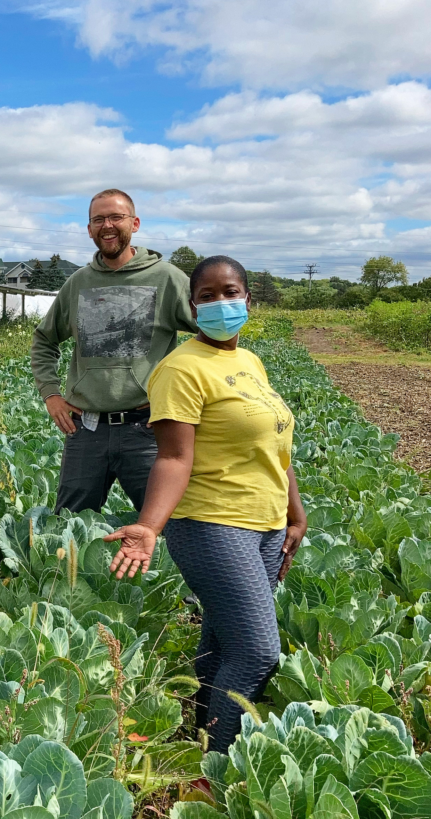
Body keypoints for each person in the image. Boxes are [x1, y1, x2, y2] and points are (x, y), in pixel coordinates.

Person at [104, 255, 307, 756]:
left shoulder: (249, 362)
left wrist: (294, 514)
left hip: (264, 525)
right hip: (212, 524)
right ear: (193, 307)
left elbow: (276, 450)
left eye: (230, 291)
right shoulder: (180, 370)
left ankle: (198, 739)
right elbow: (173, 458)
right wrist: (151, 526)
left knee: (223, 644)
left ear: (248, 298)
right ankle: (217, 764)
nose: (221, 303)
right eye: (208, 296)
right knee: (259, 652)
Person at [31, 188, 197, 514]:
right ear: (90, 229)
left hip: (148, 430)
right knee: (67, 528)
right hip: (86, 432)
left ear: (134, 223)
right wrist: (51, 394)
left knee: (167, 527)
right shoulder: (78, 283)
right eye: (98, 219)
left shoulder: (167, 278)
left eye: (116, 217)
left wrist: (181, 397)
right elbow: (44, 340)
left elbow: (209, 335)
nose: (107, 225)